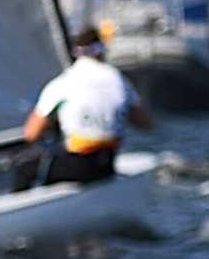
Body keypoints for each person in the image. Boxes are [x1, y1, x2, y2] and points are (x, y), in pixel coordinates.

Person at [9, 29, 150, 190]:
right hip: (107, 165)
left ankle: (24, 211)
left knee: (24, 167)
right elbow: (145, 124)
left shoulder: (63, 82)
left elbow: (31, 134)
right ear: (102, 51)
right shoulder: (119, 79)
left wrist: (53, 124)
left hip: (79, 166)